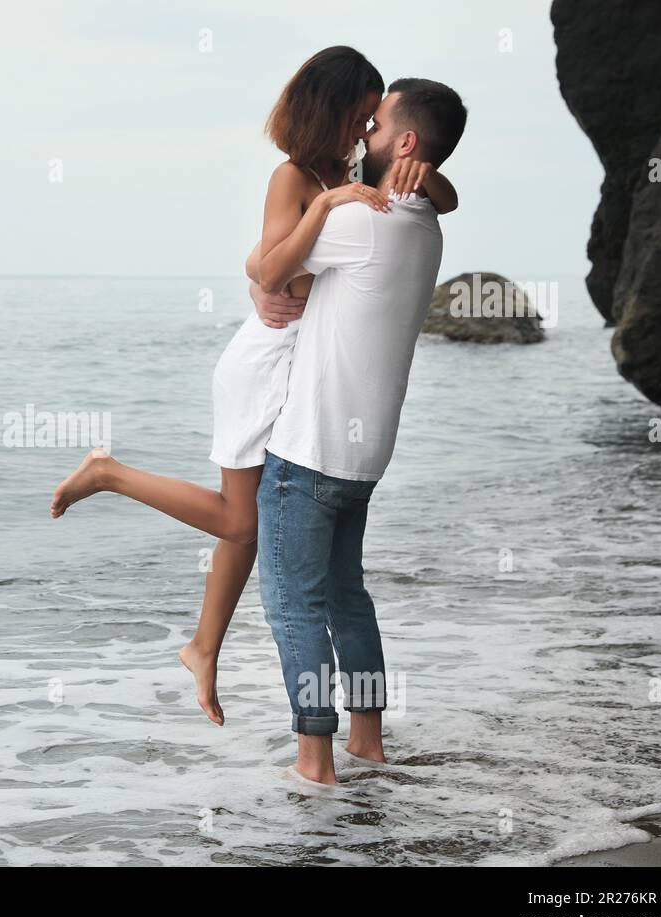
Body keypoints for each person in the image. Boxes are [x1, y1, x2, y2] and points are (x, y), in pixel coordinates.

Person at [49, 49, 457, 727]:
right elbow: (269, 268)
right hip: (265, 363)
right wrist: (319, 213)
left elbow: (434, 198)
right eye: (361, 117)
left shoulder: (357, 173)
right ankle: (111, 474)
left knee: (256, 532)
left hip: (303, 371)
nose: (365, 133)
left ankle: (204, 648)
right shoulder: (296, 177)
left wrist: (432, 179)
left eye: (374, 123)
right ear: (339, 111)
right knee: (245, 524)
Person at [253, 77, 468, 785]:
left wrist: (320, 202)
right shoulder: (424, 224)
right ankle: (367, 741)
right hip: (364, 457)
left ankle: (314, 761)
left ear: (404, 143)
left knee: (295, 608)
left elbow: (270, 271)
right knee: (347, 596)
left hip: (309, 452)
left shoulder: (358, 221)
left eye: (373, 125)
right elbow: (442, 196)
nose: (360, 136)